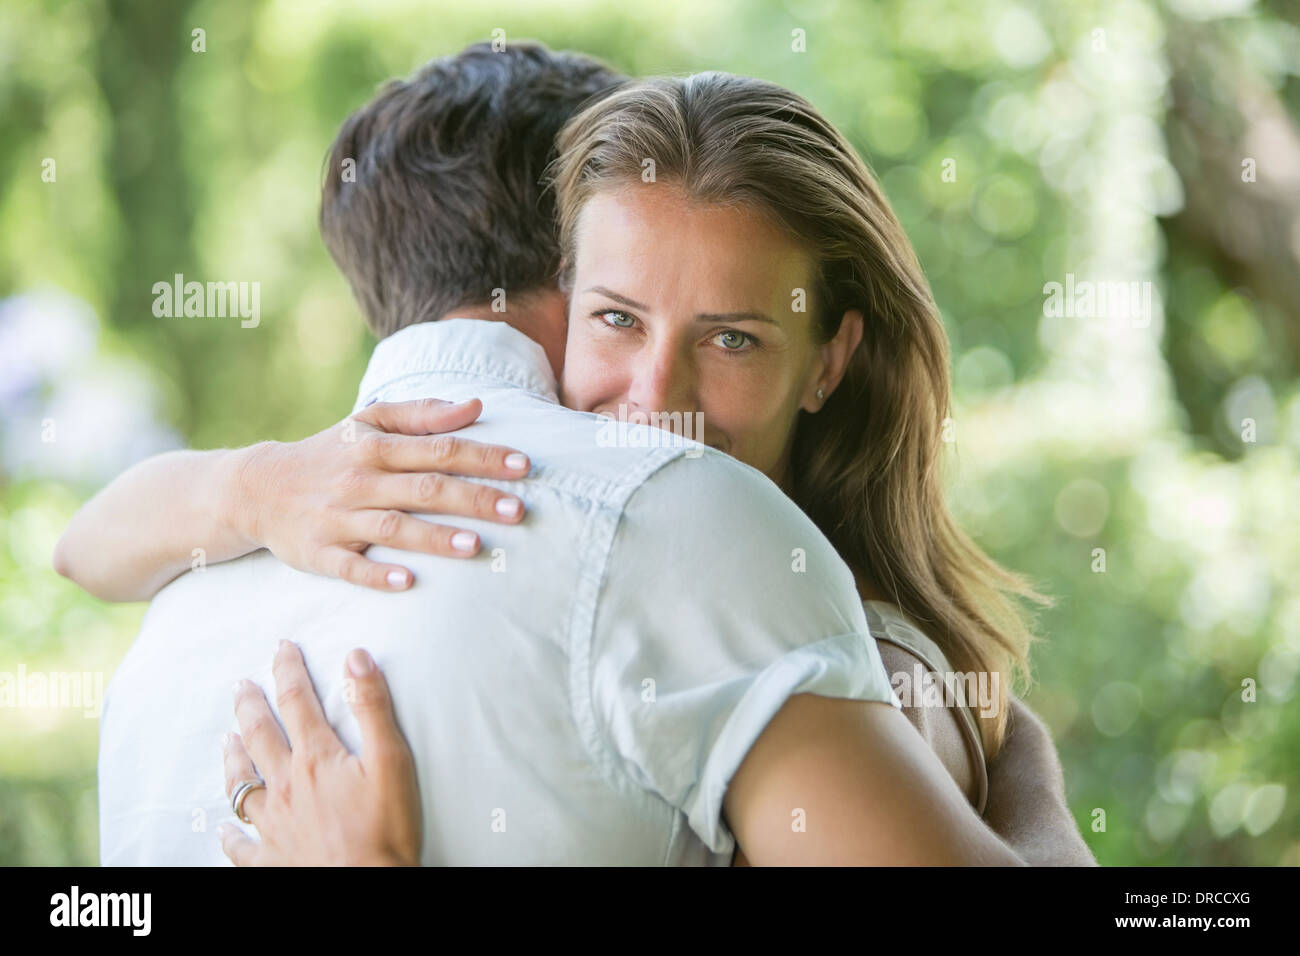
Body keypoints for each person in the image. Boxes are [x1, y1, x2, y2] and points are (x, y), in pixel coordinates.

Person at [59, 44, 1094, 864]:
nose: (654, 402)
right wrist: (1026, 775)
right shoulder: (662, 541)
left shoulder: (182, 614)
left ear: (831, 360)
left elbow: (81, 546)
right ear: (564, 278)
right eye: (617, 317)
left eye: (731, 336)